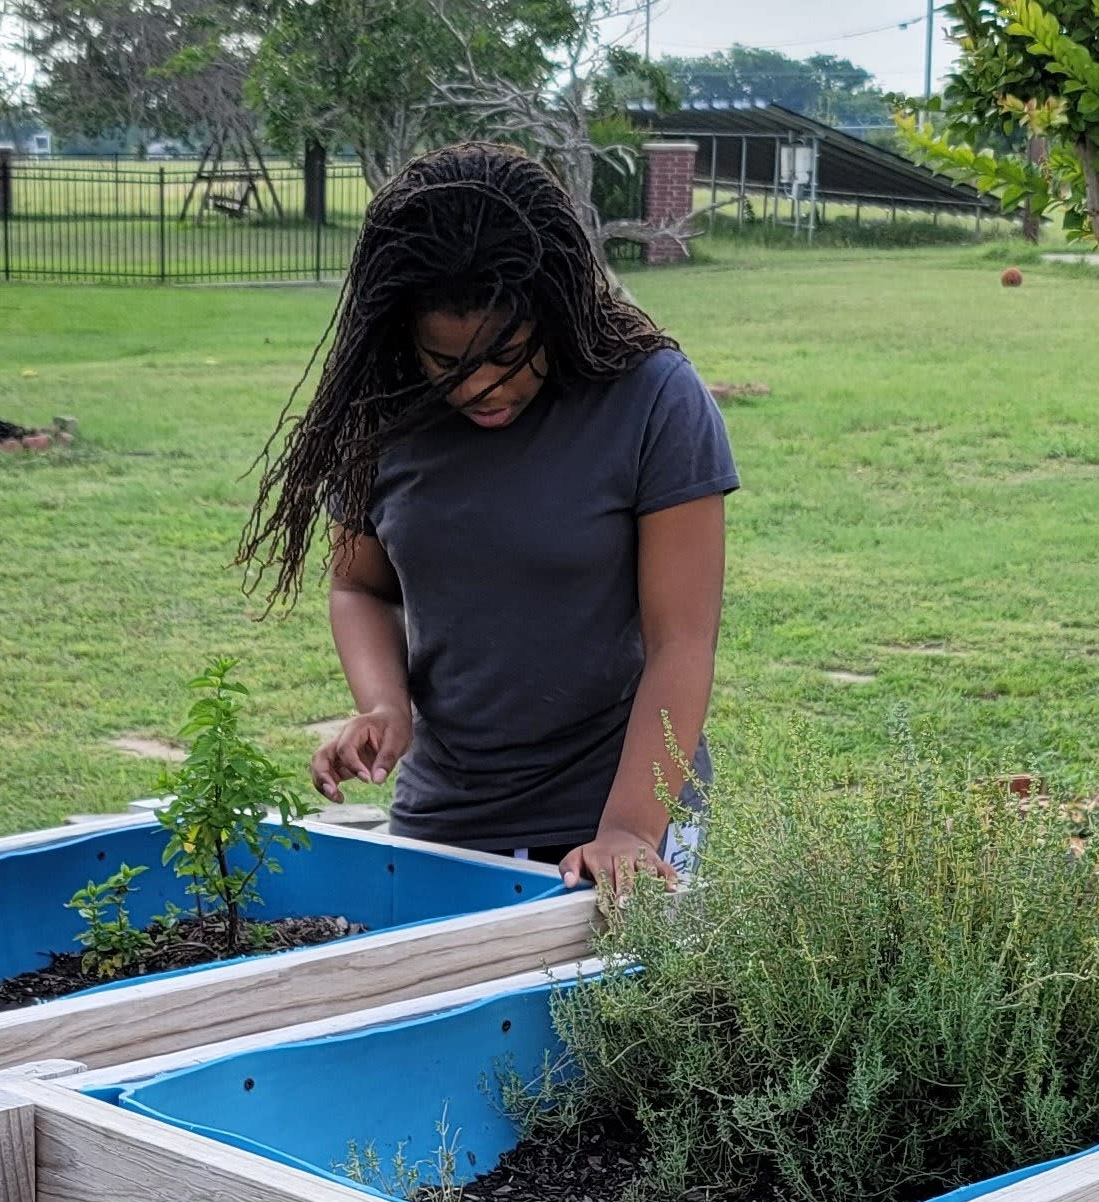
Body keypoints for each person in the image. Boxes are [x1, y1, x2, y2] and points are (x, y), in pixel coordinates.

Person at [242, 146, 735, 890]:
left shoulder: (652, 398)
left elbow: (682, 643)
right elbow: (360, 587)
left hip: (627, 816)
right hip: (447, 824)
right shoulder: (384, 413)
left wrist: (630, 829)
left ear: (554, 312)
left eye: (508, 354)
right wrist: (384, 705)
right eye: (446, 363)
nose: (480, 389)